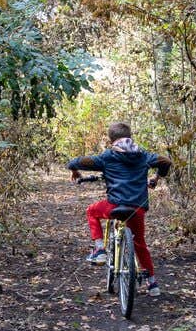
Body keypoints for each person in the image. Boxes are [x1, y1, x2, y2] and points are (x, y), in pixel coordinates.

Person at [67, 122, 173, 295]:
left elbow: (77, 161)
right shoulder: (143, 155)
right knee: (139, 243)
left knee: (91, 211)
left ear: (111, 140)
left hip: (114, 205)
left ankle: (100, 249)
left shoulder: (107, 157)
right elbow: (166, 161)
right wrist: (156, 177)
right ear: (130, 136)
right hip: (137, 208)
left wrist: (75, 171)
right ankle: (153, 283)